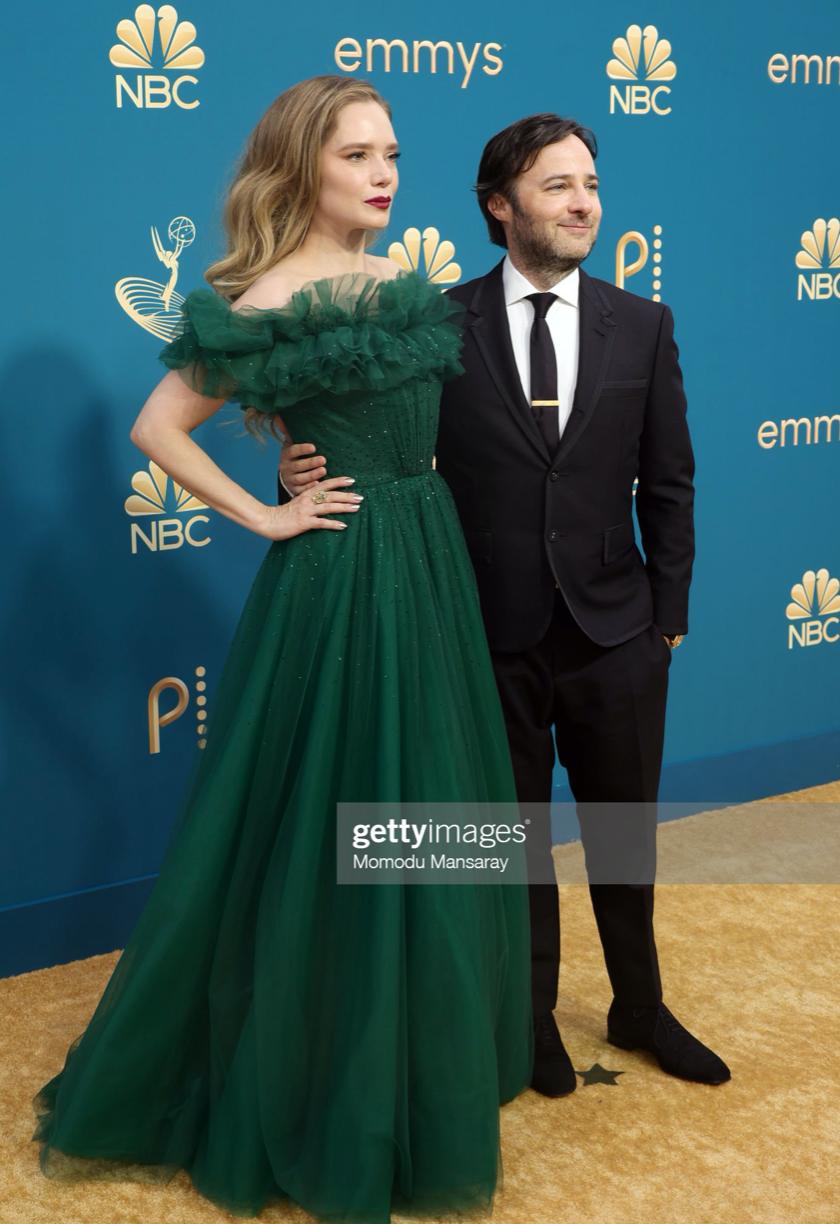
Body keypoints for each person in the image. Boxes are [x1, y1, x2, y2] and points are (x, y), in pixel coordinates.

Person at [31, 76, 533, 1223]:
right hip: (342, 583)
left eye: (392, 151)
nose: (384, 171)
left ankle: (417, 1062)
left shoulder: (395, 279)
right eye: (357, 154)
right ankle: (325, 1082)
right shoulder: (273, 294)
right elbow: (155, 425)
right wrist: (265, 512)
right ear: (303, 168)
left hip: (428, 560)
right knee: (333, 826)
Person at [279, 113, 731, 1099]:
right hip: (484, 631)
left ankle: (641, 1006)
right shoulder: (435, 324)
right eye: (558, 186)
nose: (583, 205)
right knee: (507, 844)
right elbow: (375, 443)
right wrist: (296, 467)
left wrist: (670, 611)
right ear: (499, 204)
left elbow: (672, 480)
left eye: (591, 186)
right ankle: (527, 1025)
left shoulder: (642, 324)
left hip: (618, 630)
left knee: (622, 832)